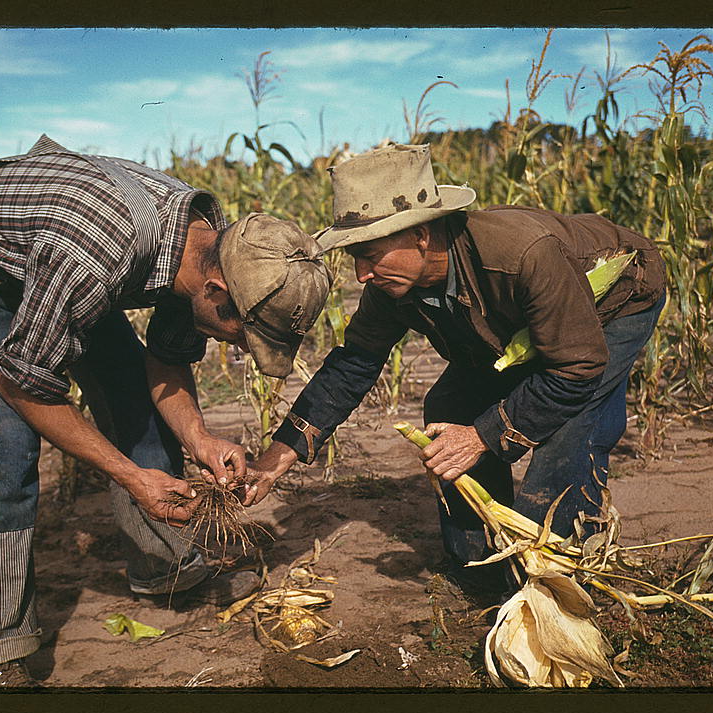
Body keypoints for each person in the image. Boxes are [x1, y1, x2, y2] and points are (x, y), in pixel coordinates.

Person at [0, 134, 331, 687]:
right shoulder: (99, 248)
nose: (242, 349)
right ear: (217, 291)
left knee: (131, 392)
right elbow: (21, 383)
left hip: (56, 263)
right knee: (4, 437)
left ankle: (163, 568)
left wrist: (198, 439)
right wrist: (131, 476)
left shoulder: (209, 247)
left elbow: (164, 364)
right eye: (244, 334)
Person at [242, 143, 666, 600]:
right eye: (354, 259)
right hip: (517, 324)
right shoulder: (390, 288)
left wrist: (483, 435)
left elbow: (576, 367)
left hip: (614, 302)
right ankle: (478, 561)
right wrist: (279, 455)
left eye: (370, 254)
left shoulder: (523, 255)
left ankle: (560, 574)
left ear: (421, 235)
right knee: (448, 407)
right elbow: (353, 364)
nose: (362, 274)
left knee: (569, 433)